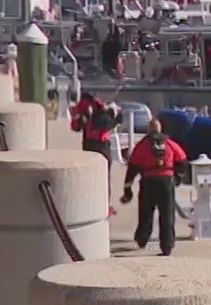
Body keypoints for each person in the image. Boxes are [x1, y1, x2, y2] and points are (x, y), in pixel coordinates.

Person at [122, 118, 188, 255]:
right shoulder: (169, 143)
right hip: (166, 182)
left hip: (149, 182)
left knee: (145, 213)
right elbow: (182, 159)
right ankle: (167, 246)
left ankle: (142, 239)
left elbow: (132, 168)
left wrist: (127, 189)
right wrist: (178, 178)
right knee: (167, 215)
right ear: (160, 129)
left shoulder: (142, 145)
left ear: (148, 130)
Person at [70, 91, 120, 162]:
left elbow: (75, 126)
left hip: (94, 142)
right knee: (103, 164)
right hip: (98, 142)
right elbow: (76, 125)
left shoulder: (88, 103)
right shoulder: (90, 103)